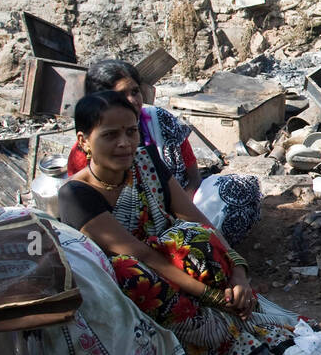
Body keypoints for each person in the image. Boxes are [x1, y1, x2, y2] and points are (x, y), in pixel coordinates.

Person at [59, 91, 298, 355]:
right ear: (84, 141)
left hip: (167, 263)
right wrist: (213, 297)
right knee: (131, 273)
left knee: (196, 238)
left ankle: (240, 309)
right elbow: (142, 255)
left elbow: (195, 218)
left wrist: (238, 271)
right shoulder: (76, 195)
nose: (124, 143)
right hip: (126, 287)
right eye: (110, 135)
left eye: (131, 132)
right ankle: (227, 340)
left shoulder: (145, 163)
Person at [67, 59, 263, 244]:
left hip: (180, 207)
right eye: (121, 95)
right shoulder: (83, 158)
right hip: (127, 233)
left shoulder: (158, 121)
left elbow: (192, 171)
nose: (132, 100)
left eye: (135, 91)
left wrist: (183, 209)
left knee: (237, 191)